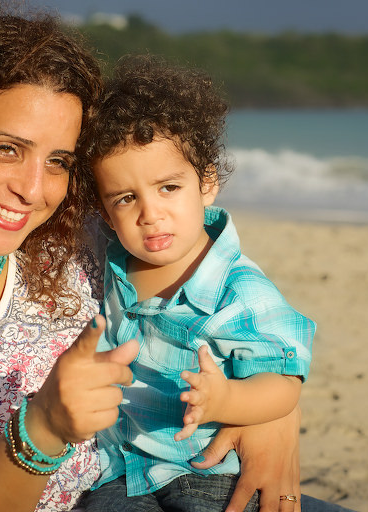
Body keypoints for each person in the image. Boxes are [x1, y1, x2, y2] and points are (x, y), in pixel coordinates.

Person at [0, 10, 350, 512]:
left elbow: (225, 309)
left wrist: (267, 417)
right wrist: (42, 428)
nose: (33, 191)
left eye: (59, 162)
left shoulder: (71, 235)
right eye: (5, 149)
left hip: (184, 480)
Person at [81, 55, 315, 512]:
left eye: (169, 188)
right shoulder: (111, 267)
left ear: (207, 183)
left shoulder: (240, 289)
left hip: (207, 467)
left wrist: (228, 396)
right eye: (126, 198)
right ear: (105, 212)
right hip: (121, 470)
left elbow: (285, 382)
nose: (150, 213)